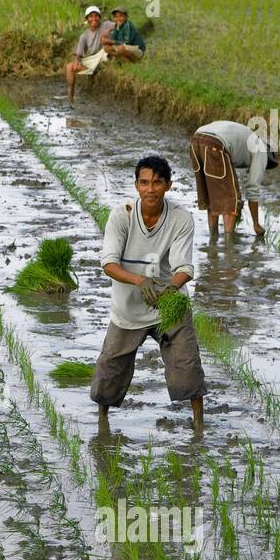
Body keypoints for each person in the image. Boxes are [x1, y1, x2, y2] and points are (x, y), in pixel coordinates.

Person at [91, 156, 207, 431]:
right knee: (111, 367)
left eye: (157, 182)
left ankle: (199, 426)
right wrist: (138, 280)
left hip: (168, 305)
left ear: (168, 185)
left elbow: (184, 267)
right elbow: (108, 263)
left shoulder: (180, 218)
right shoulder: (123, 216)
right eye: (144, 182)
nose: (150, 189)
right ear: (136, 185)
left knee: (187, 363)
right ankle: (102, 424)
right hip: (128, 308)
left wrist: (170, 288)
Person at [190, 120, 276, 237]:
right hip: (216, 143)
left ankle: (213, 240)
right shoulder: (261, 149)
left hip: (196, 140)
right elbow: (253, 187)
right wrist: (256, 224)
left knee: (212, 196)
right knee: (232, 201)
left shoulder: (247, 140)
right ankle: (229, 245)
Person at [66, 6, 114, 104]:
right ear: (87, 19)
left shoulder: (106, 24)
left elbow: (120, 25)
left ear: (99, 17)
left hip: (105, 53)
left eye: (96, 16)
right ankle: (70, 97)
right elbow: (79, 54)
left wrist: (110, 32)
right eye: (91, 17)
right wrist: (77, 61)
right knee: (69, 67)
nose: (94, 19)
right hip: (93, 58)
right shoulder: (84, 35)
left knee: (106, 48)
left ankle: (97, 70)